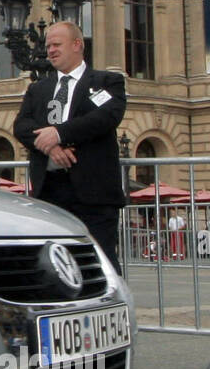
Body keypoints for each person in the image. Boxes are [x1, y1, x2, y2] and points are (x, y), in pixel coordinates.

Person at [13, 21, 126, 272]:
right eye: (47, 45)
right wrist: (50, 147)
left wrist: (59, 134)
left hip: (93, 193)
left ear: (77, 45)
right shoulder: (38, 88)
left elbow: (106, 117)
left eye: (56, 44)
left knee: (100, 263)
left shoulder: (107, 81)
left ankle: (108, 310)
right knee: (53, 265)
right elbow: (22, 125)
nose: (49, 50)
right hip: (50, 191)